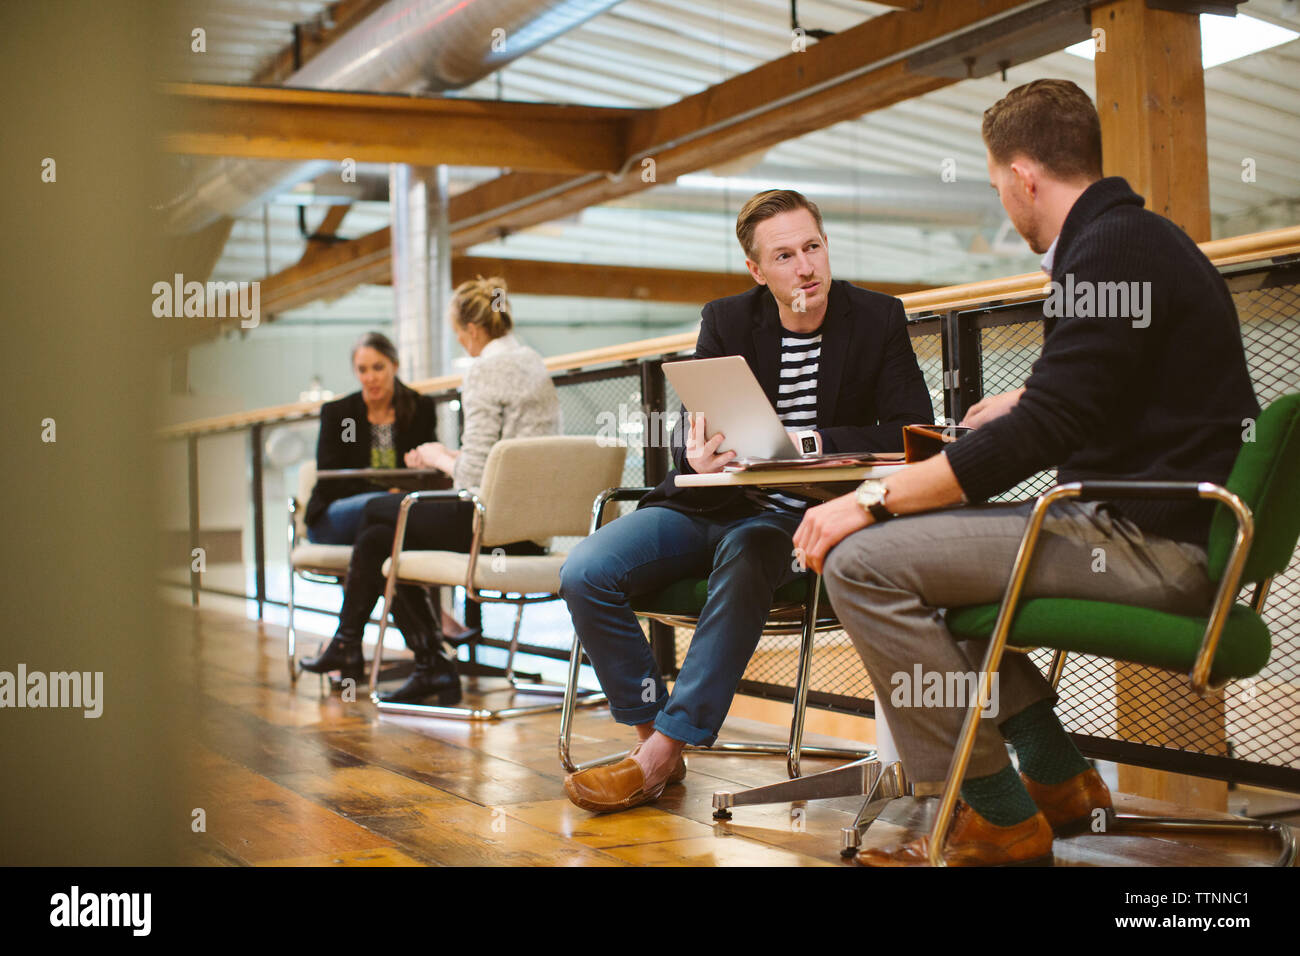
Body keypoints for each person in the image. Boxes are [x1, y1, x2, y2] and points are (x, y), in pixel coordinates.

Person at [793, 79, 1261, 866]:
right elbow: (1097, 385)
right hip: (1166, 526)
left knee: (863, 561)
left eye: (992, 184)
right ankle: (1058, 778)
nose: (1001, 199)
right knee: (928, 566)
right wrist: (1024, 395)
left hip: (1152, 543)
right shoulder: (1131, 236)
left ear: (1023, 177)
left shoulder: (1106, 249)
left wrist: (869, 499)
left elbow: (1052, 429)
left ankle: (994, 815)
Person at [560, 189, 934, 813]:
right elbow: (694, 423)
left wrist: (809, 441)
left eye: (813, 247)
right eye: (784, 256)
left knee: (747, 549)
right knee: (585, 572)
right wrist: (694, 450)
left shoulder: (876, 317)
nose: (805, 267)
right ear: (758, 272)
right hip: (709, 502)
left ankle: (654, 760)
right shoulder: (727, 319)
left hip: (802, 515)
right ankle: (653, 741)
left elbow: (909, 428)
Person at [301, 278, 561, 705]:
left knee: (382, 521)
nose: (463, 344)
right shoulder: (534, 363)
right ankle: (426, 664)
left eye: (460, 336)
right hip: (531, 532)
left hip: (490, 527)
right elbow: (503, 458)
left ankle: (394, 654)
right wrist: (449, 456)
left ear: (472, 331)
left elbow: (471, 476)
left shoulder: (484, 370)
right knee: (384, 529)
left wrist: (440, 455)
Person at [304, 332, 437, 546]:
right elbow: (332, 481)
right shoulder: (341, 414)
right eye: (362, 370)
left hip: (401, 509)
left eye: (378, 367)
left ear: (394, 365)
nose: (370, 378)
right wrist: (386, 494)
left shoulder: (420, 408)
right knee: (388, 508)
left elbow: (428, 469)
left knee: (384, 530)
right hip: (339, 511)